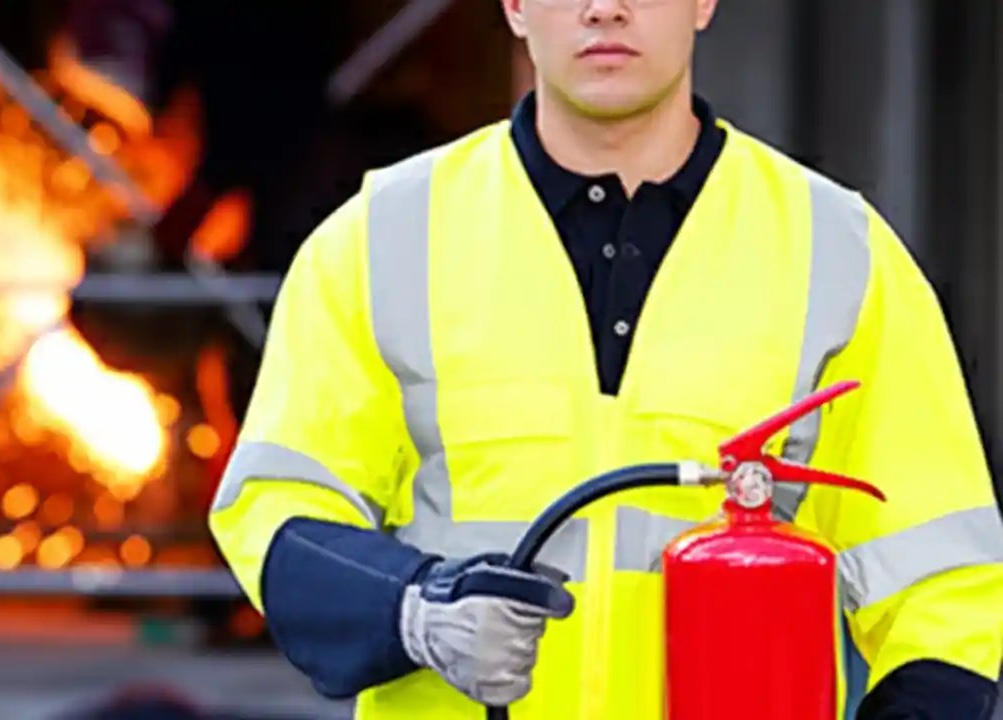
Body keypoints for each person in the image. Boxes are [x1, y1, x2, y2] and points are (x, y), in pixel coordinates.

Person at [208, 0, 1003, 717]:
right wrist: (413, 608)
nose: (605, 8)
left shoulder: (841, 252)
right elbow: (278, 509)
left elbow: (942, 586)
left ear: (703, 2)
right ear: (515, 6)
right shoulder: (379, 238)